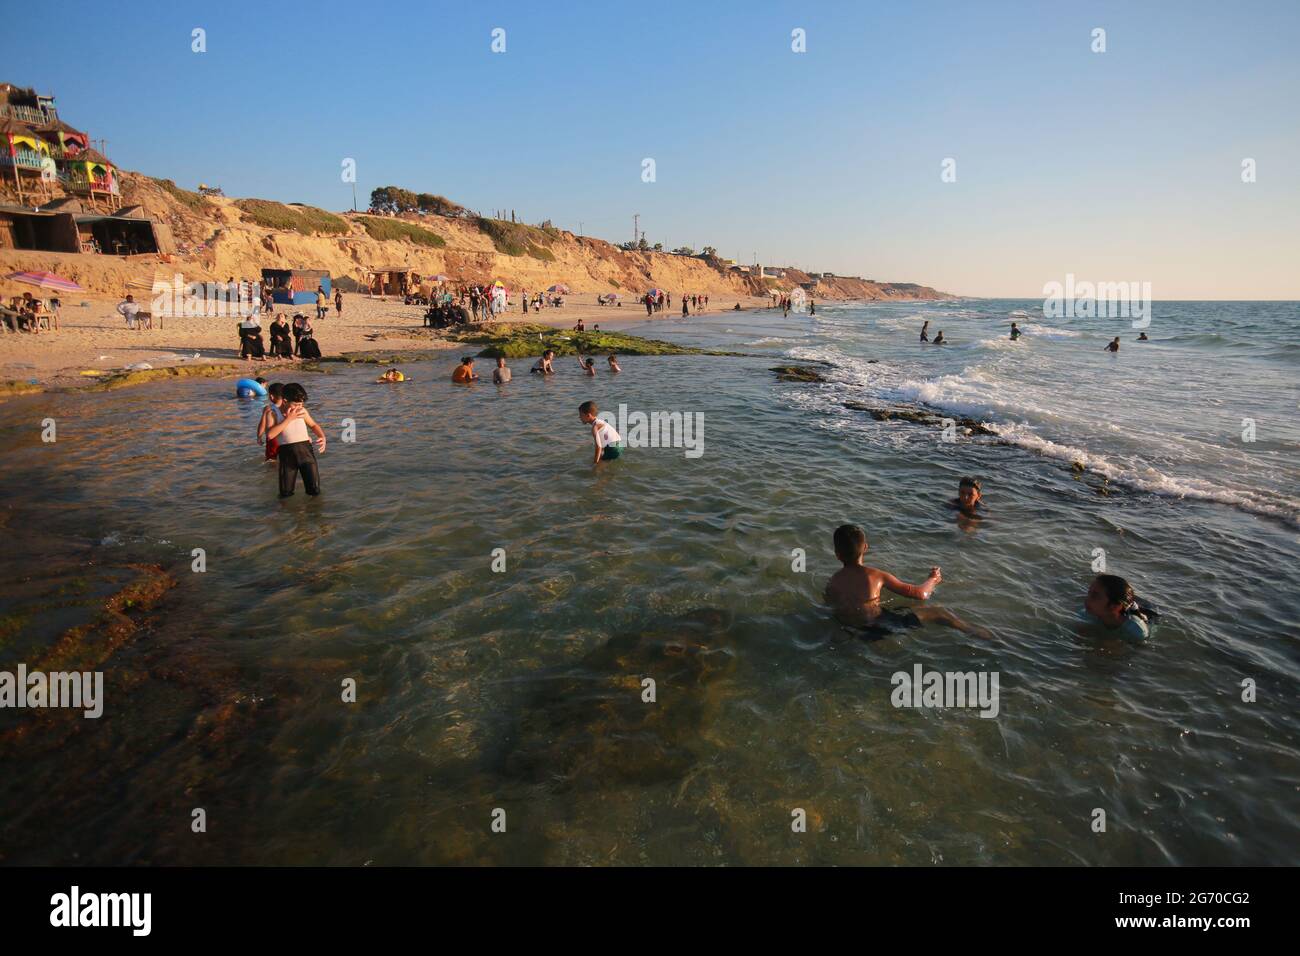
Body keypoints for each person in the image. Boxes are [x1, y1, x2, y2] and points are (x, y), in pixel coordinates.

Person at [823, 524, 987, 637]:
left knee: (901, 608)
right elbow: (920, 594)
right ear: (865, 548)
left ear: (837, 554)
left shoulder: (833, 581)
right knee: (938, 611)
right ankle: (976, 633)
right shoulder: (876, 575)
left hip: (850, 629)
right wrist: (932, 579)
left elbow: (831, 605)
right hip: (879, 628)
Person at [264, 382, 326, 498]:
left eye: (301, 404)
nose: (299, 407)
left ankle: (313, 514)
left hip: (306, 454)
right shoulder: (273, 413)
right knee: (285, 494)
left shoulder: (302, 411)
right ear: (285, 400)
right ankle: (285, 514)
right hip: (287, 456)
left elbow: (313, 425)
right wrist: (289, 419)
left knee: (315, 491)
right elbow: (270, 435)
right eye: (296, 404)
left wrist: (322, 436)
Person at [1081, 574, 1157, 642]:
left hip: (1149, 615)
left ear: (1114, 606)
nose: (1087, 599)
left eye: (1095, 596)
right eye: (1089, 593)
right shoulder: (1087, 613)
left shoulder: (1137, 632)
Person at [257, 383, 286, 463]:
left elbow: (262, 423)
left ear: (271, 396)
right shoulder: (289, 407)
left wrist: (259, 436)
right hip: (286, 438)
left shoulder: (268, 408)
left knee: (271, 460)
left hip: (273, 439)